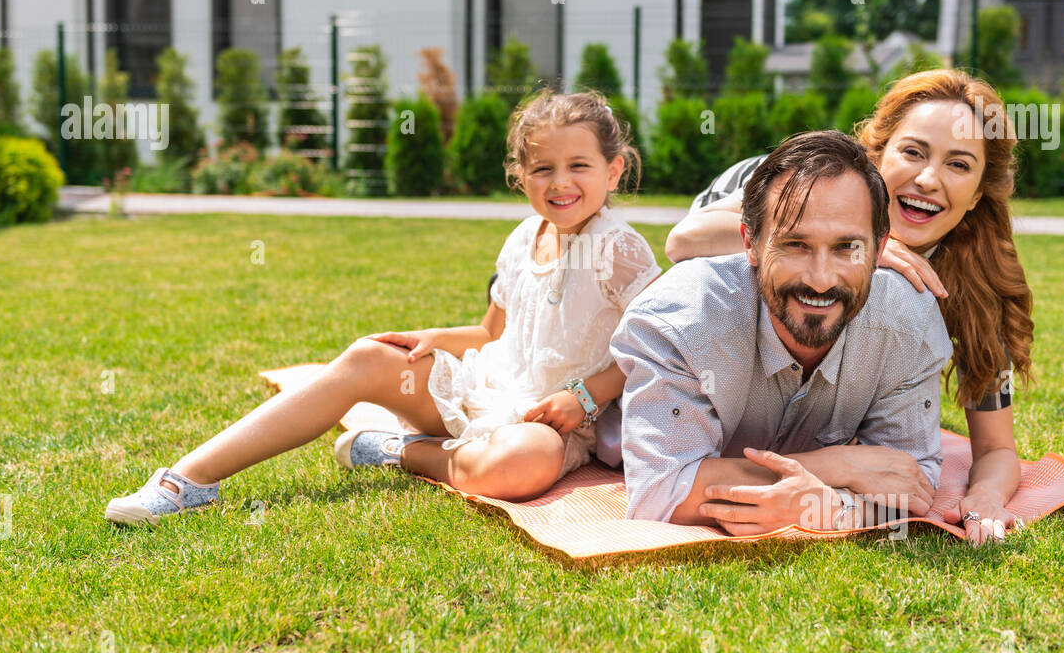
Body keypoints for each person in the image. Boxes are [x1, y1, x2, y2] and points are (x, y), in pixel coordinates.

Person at [105, 91, 661, 524]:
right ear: (520, 177)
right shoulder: (522, 238)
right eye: (543, 169)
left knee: (520, 463)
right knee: (370, 355)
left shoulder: (620, 248)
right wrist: (430, 337)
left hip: (557, 424)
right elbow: (492, 335)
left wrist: (583, 396)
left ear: (613, 171)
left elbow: (656, 349)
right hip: (489, 389)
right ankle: (187, 480)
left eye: (579, 166)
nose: (560, 182)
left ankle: (399, 452)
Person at [662, 70, 1034, 544]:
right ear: (876, 156)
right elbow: (681, 240)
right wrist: (875, 248)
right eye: (913, 152)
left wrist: (986, 495)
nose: (927, 179)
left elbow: (998, 446)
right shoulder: (803, 188)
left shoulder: (974, 280)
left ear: (978, 193)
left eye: (958, 165)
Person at [611, 130, 952, 532]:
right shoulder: (682, 319)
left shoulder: (906, 323)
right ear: (749, 243)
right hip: (605, 438)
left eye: (847, 248)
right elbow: (662, 493)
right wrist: (840, 466)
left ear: (880, 250)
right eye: (795, 245)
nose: (822, 280)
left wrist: (831, 510)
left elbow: (910, 481)